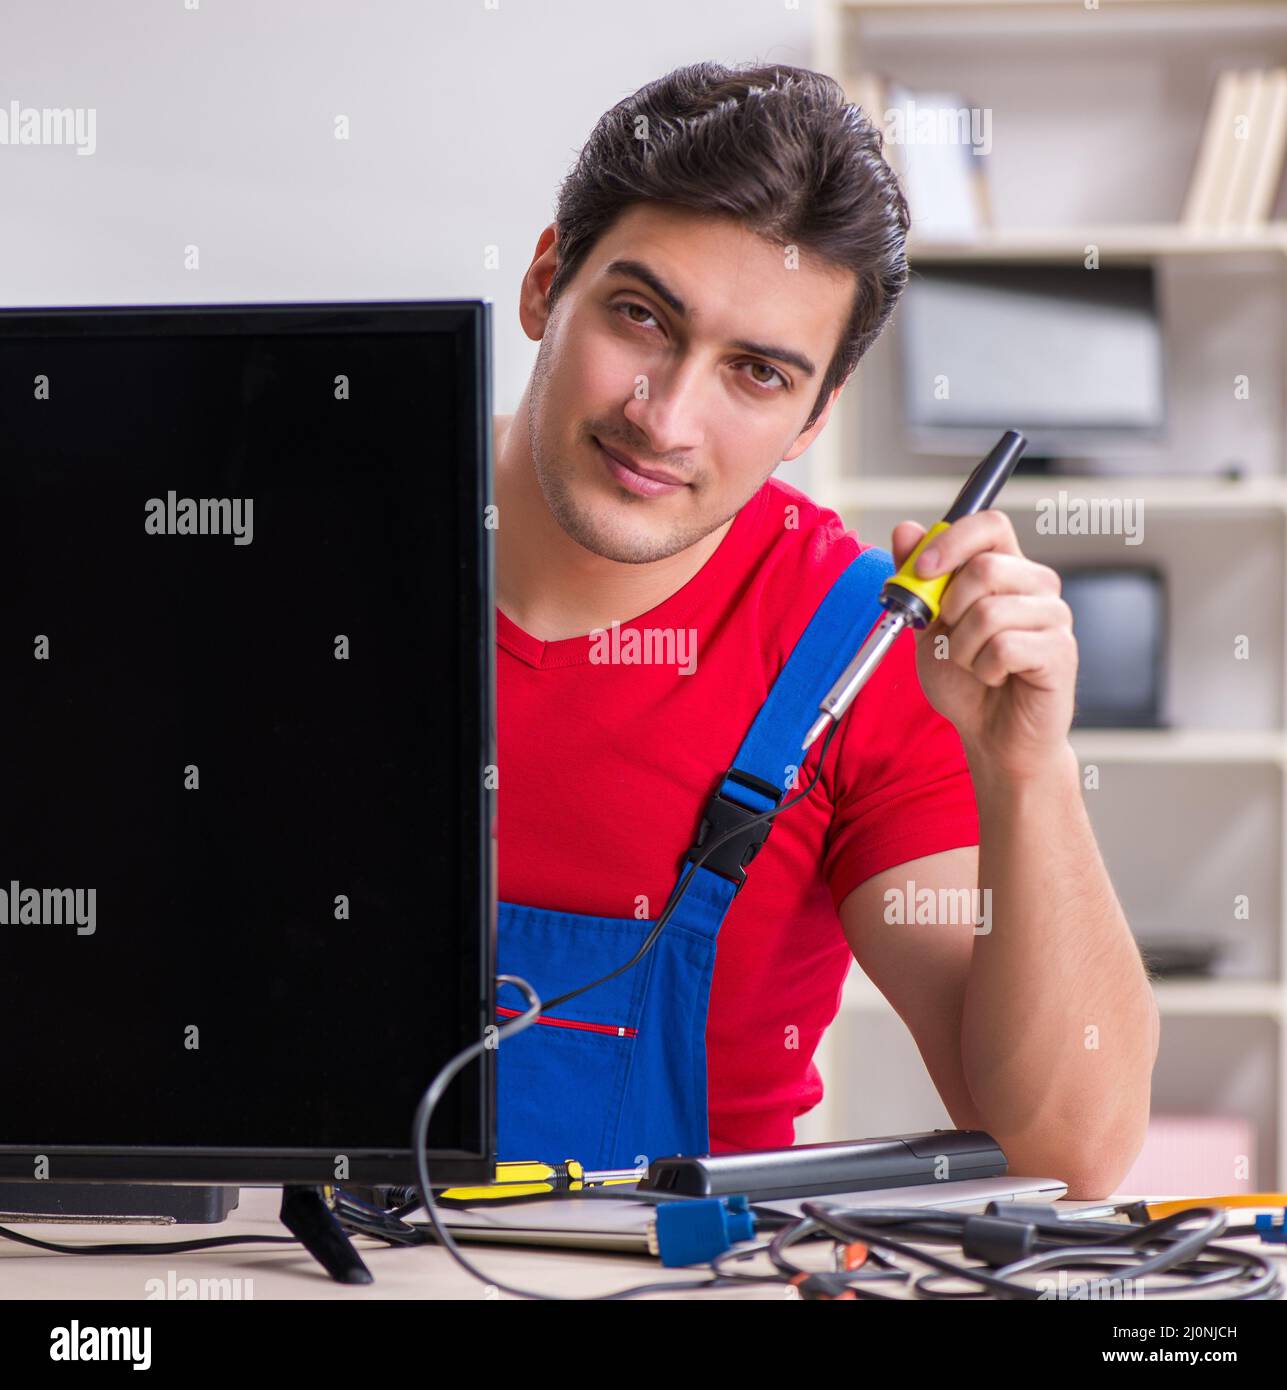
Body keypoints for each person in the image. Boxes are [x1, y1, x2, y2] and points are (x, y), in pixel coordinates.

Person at [490, 61, 1158, 1199]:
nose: (667, 418)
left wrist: (1027, 767)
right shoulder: (322, 541)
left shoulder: (859, 650)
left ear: (813, 417)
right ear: (549, 281)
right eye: (643, 316)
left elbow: (1072, 1152)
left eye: (756, 373)